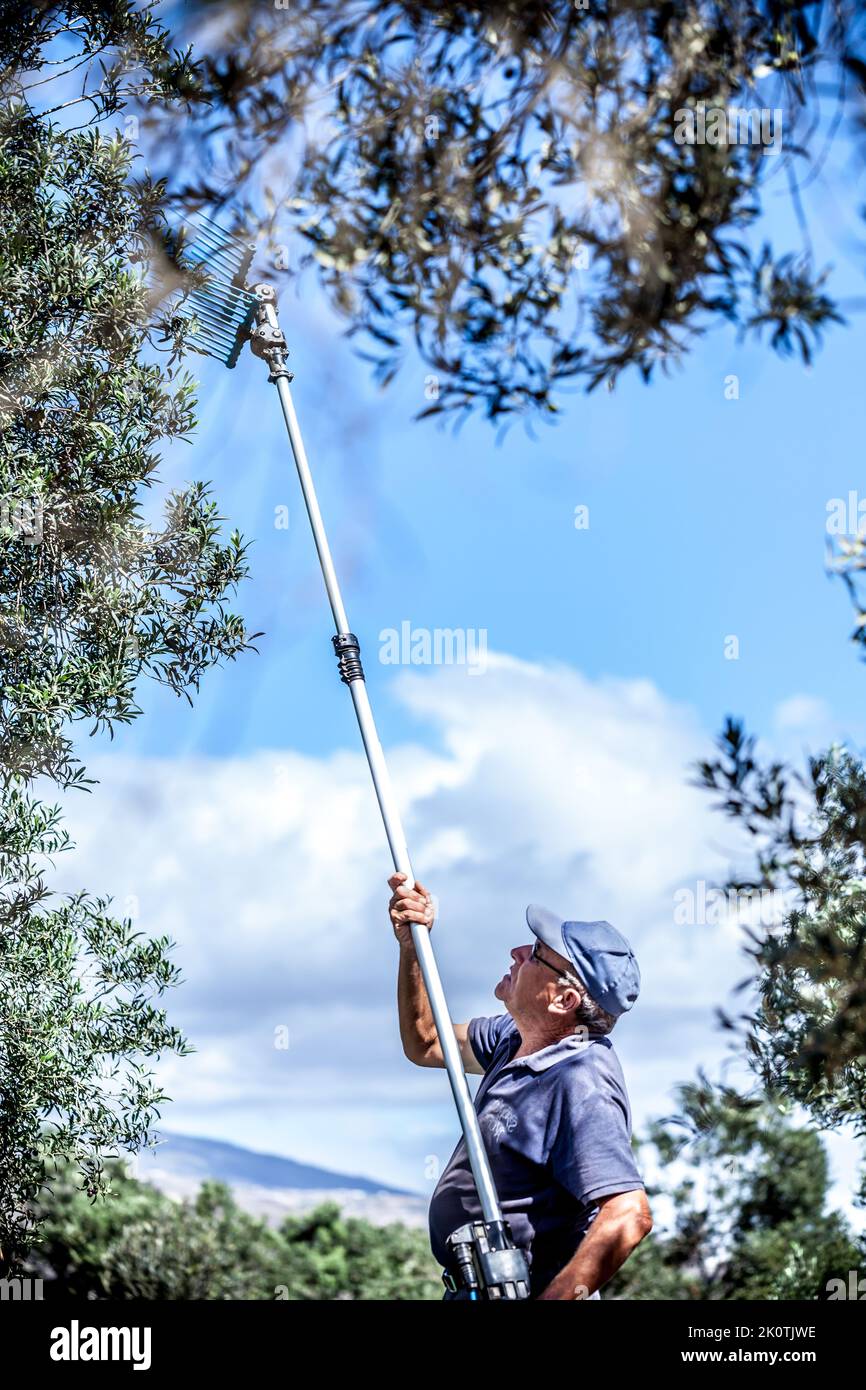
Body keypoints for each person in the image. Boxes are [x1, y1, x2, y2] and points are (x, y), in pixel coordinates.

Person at [388, 873, 652, 1300]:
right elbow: (426, 1042)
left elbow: (628, 1215)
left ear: (563, 1000)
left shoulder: (580, 1079)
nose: (516, 952)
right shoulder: (511, 1038)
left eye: (534, 955)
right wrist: (412, 947)